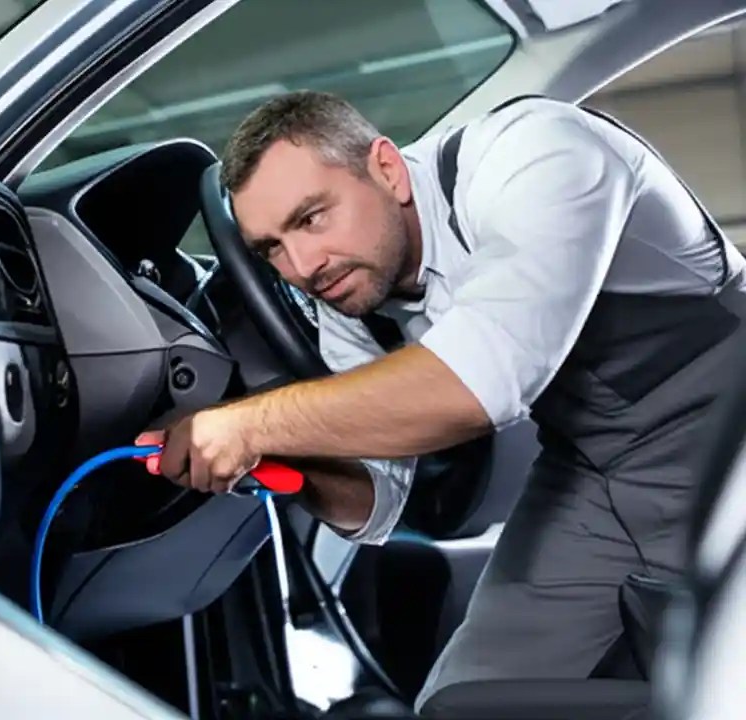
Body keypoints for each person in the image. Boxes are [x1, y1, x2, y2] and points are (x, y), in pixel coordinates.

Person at [136, 90, 746, 711]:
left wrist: (253, 423)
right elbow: (375, 497)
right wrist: (270, 461)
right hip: (592, 470)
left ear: (387, 168)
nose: (303, 265)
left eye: (312, 217)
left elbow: (482, 384)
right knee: (460, 705)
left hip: (729, 453)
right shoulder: (350, 291)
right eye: (271, 248)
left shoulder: (538, 152)